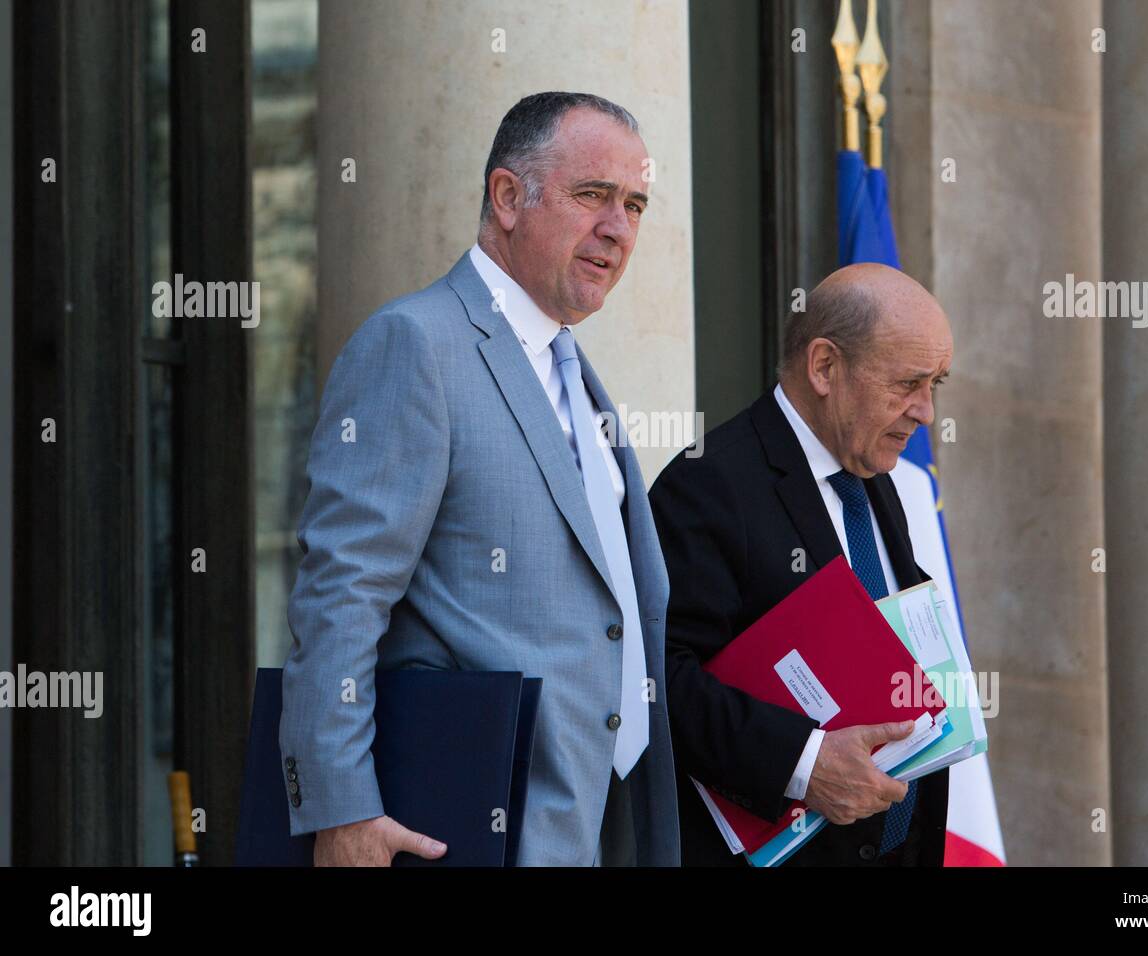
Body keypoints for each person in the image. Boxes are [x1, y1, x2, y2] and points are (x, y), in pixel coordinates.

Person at [280, 92, 679, 866]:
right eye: (592, 195)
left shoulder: (571, 369)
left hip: (609, 818)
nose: (618, 228)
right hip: (478, 823)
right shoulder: (415, 344)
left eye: (634, 204)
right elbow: (343, 591)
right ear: (506, 197)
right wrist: (344, 809)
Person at [650, 263, 953, 866]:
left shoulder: (875, 475)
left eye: (936, 384)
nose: (925, 411)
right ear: (824, 367)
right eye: (907, 383)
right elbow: (660, 680)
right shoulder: (709, 483)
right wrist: (803, 764)